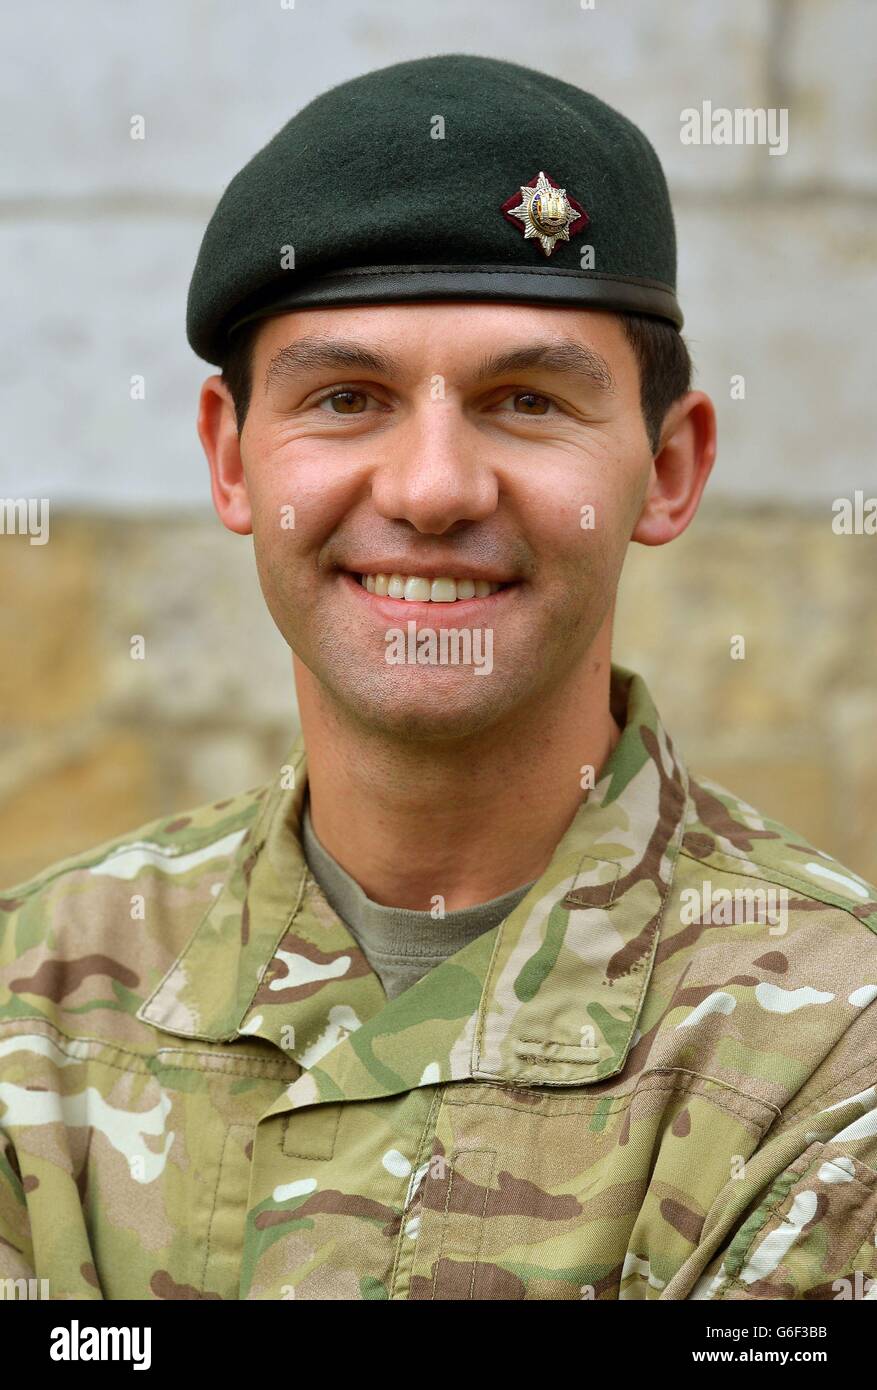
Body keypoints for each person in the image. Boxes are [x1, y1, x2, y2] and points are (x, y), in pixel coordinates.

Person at [2, 54, 876, 1302]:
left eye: (524, 402)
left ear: (668, 469)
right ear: (231, 459)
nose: (429, 490)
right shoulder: (37, 999)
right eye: (346, 398)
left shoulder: (825, 1048)